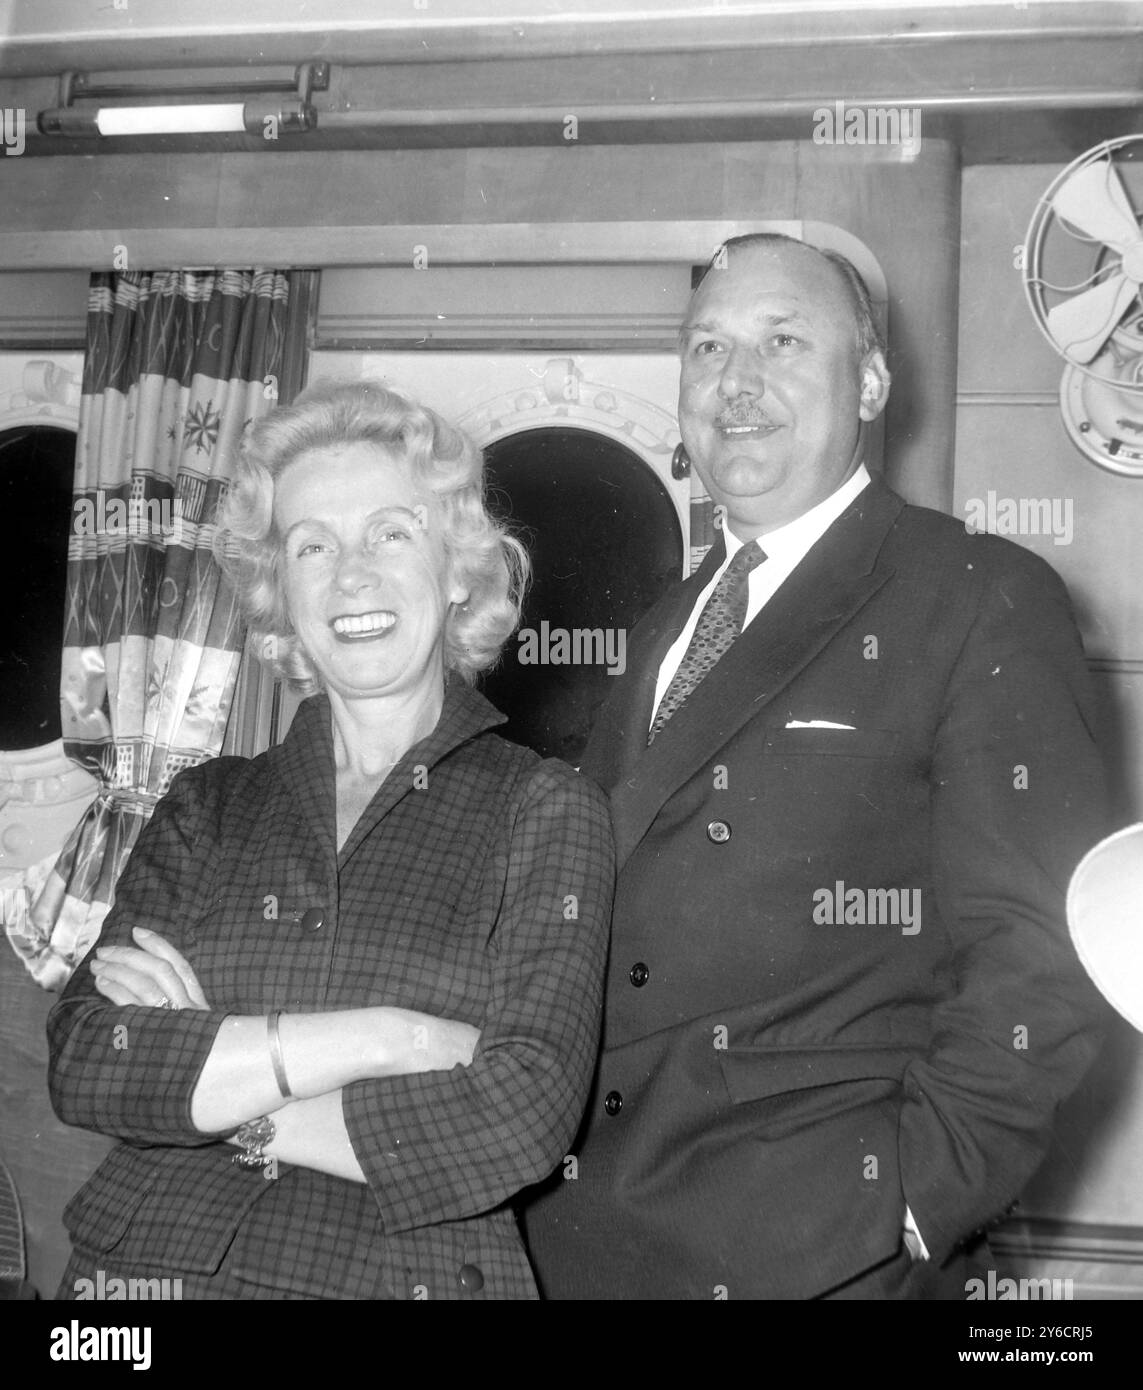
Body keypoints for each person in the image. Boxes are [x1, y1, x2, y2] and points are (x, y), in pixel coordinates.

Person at [521, 233, 1108, 1300]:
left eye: (782, 341)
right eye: (707, 348)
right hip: (591, 1240)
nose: (735, 383)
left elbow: (1043, 954)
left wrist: (908, 1211)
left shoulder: (979, 591)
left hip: (824, 1255)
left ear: (871, 381)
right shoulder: (669, 619)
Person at [47, 378, 613, 1300]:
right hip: (140, 1288)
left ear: (458, 568)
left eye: (392, 532)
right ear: (280, 591)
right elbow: (88, 1059)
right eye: (314, 545)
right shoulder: (208, 803)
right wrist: (394, 1037)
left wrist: (225, 1085)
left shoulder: (544, 808)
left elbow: (522, 1111)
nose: (353, 575)